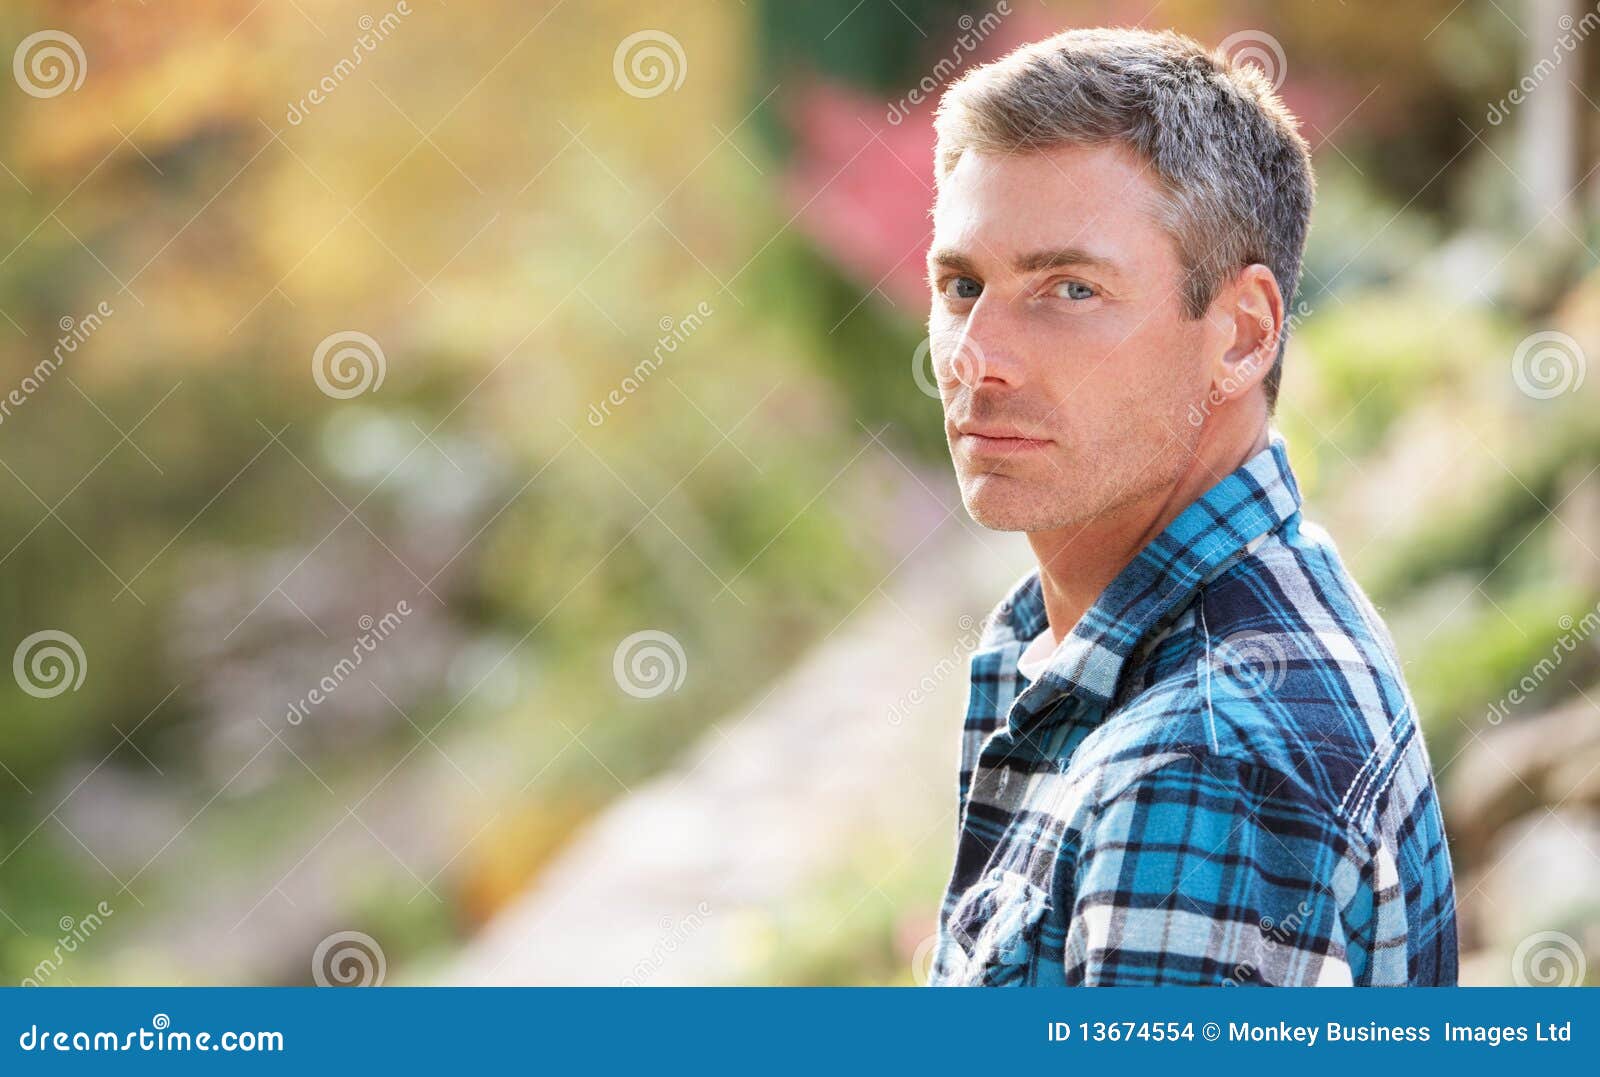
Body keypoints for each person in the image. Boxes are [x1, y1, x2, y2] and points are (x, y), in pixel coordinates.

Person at [925, 27, 1457, 986]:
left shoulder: (1201, 763)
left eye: (1069, 288)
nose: (973, 354)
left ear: (1243, 334)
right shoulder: (1100, 635)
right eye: (961, 285)